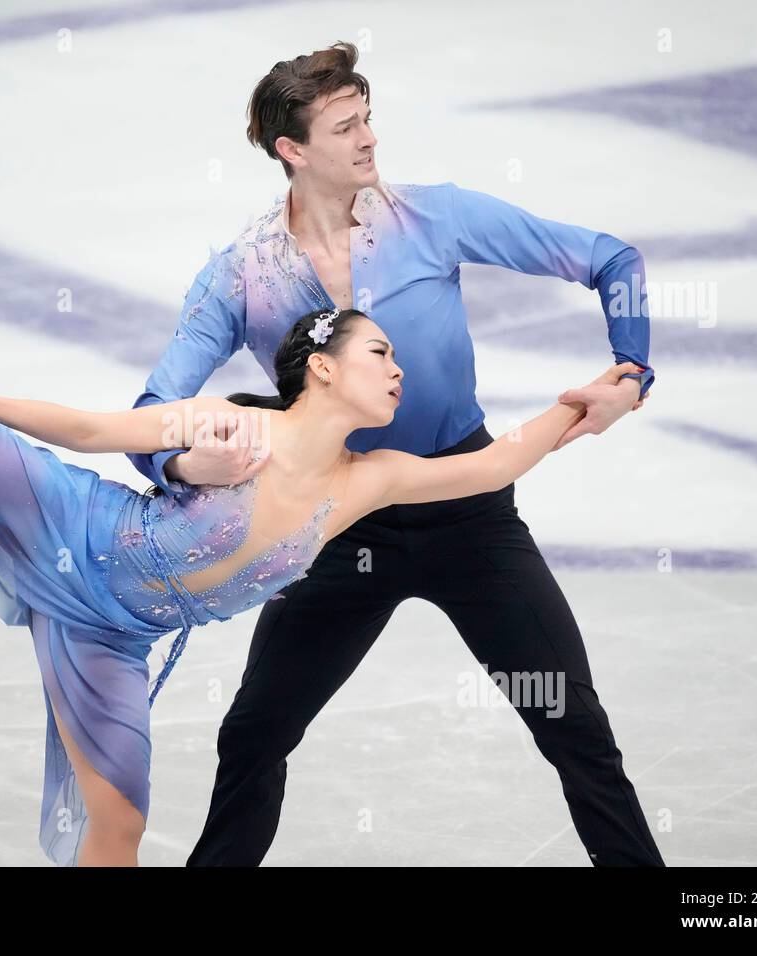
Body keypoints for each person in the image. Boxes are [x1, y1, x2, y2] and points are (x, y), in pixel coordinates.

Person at [0, 155, 621, 866]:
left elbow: (499, 460)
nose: (400, 369)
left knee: (118, 822)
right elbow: (97, 431)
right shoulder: (231, 429)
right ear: (324, 368)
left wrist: (587, 407)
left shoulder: (367, 485)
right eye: (382, 355)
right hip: (74, 532)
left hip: (114, 638)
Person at [126, 42, 665, 866]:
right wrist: (189, 464)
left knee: (574, 728)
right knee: (254, 737)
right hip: (338, 530)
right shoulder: (244, 275)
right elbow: (152, 415)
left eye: (369, 117)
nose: (370, 138)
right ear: (292, 150)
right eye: (346, 127)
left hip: (468, 516)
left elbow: (608, 259)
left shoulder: (432, 216)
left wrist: (630, 373)